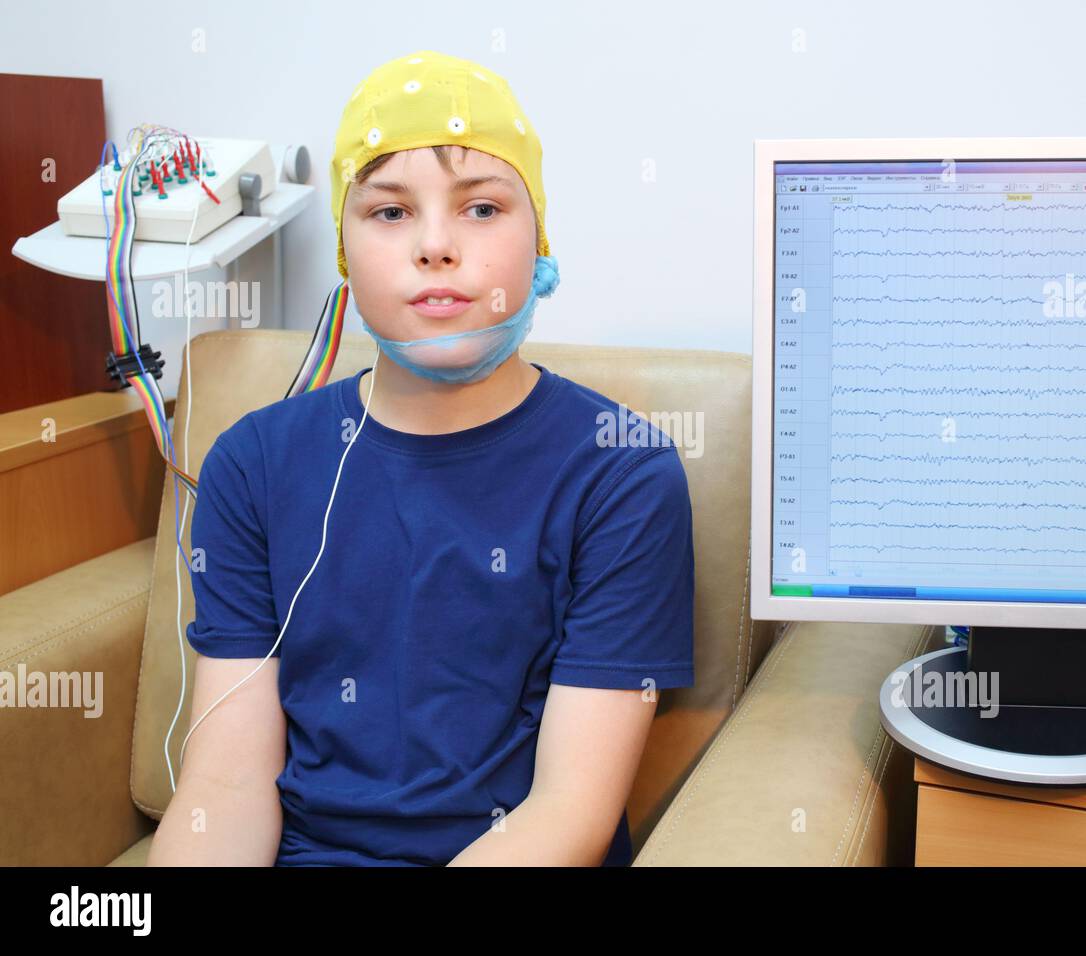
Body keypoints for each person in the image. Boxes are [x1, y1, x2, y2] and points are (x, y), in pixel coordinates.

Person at [147, 50, 695, 866]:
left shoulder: (622, 473)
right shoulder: (253, 464)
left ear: (539, 239)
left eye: (480, 208)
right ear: (343, 248)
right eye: (390, 213)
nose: (436, 246)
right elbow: (225, 786)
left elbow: (568, 814)